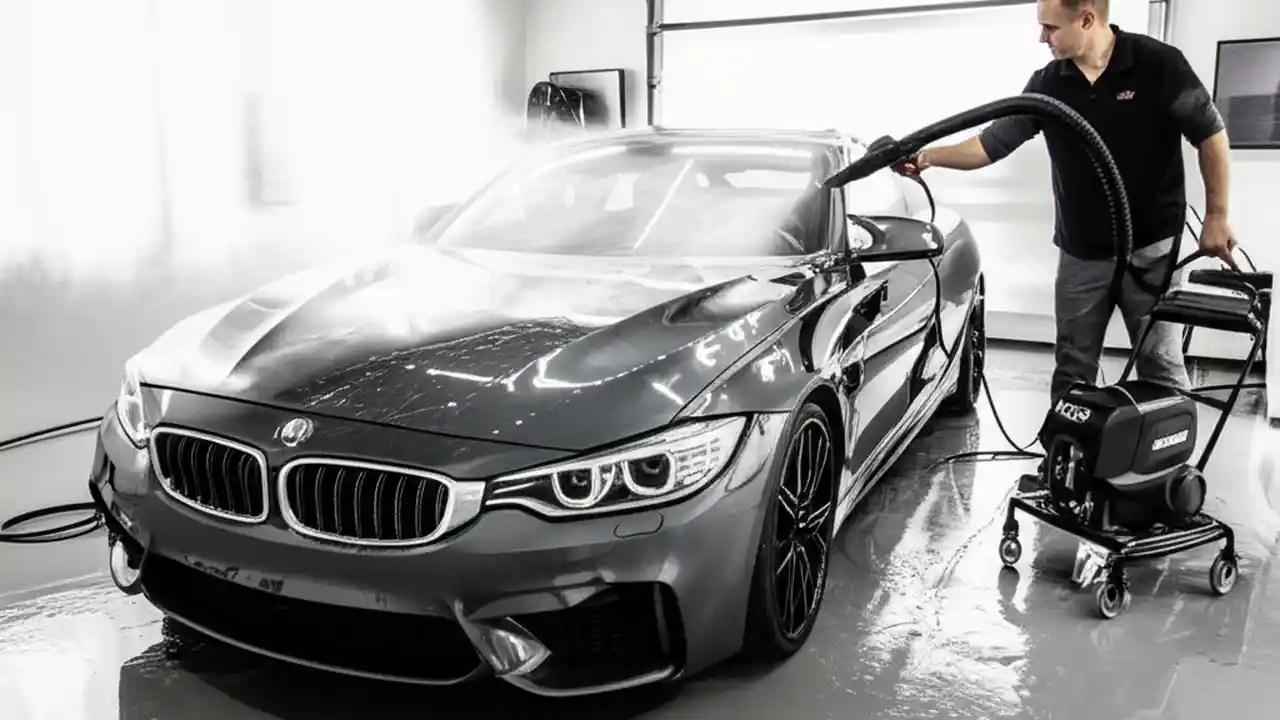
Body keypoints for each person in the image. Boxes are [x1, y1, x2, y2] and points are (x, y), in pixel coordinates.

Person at [897, 0, 1238, 403]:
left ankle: (1168, 442)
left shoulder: (1158, 64)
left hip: (1152, 248)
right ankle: (1069, 442)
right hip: (1082, 251)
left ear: (1087, 20)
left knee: (1160, 364)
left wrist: (1217, 215)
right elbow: (991, 144)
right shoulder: (1048, 85)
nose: (1042, 37)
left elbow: (1211, 135)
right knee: (1073, 368)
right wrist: (928, 156)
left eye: (1051, 27)